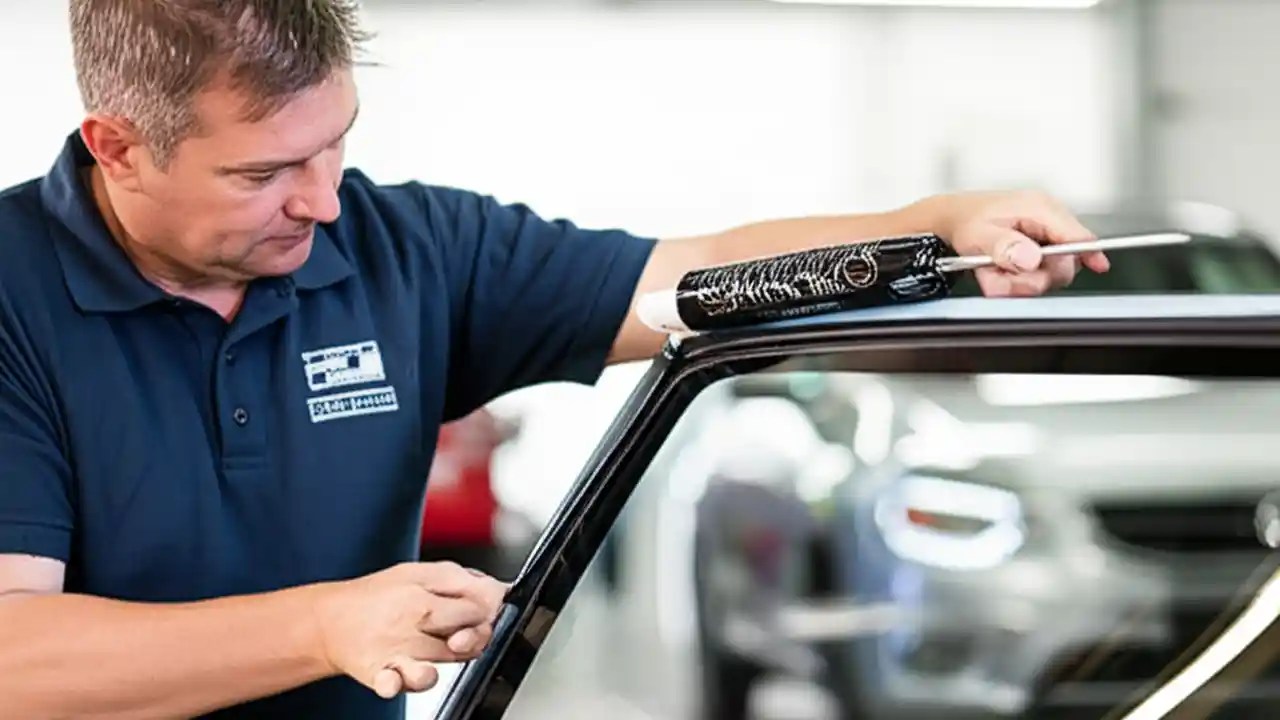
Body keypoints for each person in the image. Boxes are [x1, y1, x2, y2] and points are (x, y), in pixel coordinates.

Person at [0, 1, 1111, 718]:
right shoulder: (11, 294)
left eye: (336, 143)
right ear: (118, 144)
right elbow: (14, 657)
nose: (324, 198)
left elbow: (694, 279)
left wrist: (927, 232)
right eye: (263, 173)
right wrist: (325, 626)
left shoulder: (409, 251)